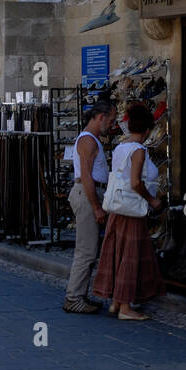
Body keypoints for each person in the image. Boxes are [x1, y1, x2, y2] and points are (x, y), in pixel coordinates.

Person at [92, 102, 165, 320]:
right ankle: (125, 307)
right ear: (147, 130)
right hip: (132, 210)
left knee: (119, 255)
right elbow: (135, 182)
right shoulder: (138, 151)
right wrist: (152, 200)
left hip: (118, 209)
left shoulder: (121, 148)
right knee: (130, 258)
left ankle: (117, 301)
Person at [63, 98, 115, 314]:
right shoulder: (88, 141)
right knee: (86, 250)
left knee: (89, 249)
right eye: (111, 121)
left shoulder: (91, 139)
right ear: (101, 117)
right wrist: (96, 207)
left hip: (88, 195)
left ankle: (80, 295)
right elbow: (86, 177)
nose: (112, 126)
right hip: (87, 196)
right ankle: (74, 297)